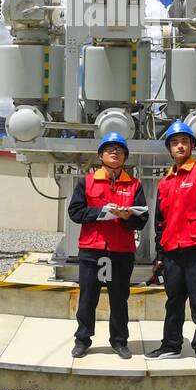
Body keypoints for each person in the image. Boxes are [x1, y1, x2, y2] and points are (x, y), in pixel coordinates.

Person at [147, 114, 196, 371]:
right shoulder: (165, 182)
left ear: (192, 146)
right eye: (175, 142)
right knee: (173, 301)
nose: (180, 146)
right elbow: (160, 223)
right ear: (169, 148)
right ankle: (171, 345)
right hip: (172, 251)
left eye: (185, 142)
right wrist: (159, 255)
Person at [66, 132, 148, 359]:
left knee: (119, 298)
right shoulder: (88, 182)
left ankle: (119, 341)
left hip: (121, 252)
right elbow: (75, 212)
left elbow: (141, 220)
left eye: (120, 150)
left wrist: (125, 217)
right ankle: (82, 340)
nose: (115, 152)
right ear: (101, 155)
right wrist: (101, 213)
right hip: (93, 249)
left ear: (125, 157)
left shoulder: (134, 185)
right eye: (110, 149)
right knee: (88, 297)